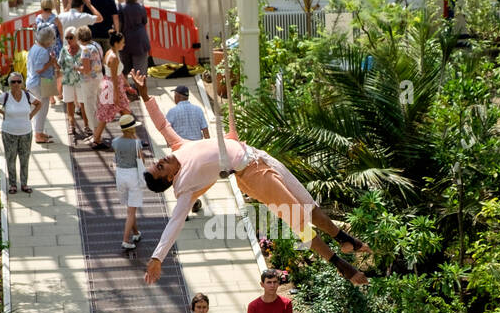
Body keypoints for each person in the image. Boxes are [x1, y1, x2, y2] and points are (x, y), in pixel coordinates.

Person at [132, 73, 372, 286]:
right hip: (252, 175)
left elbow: (162, 124)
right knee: (299, 220)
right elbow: (175, 222)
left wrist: (145, 96)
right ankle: (341, 265)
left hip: (259, 156)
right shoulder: (184, 186)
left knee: (309, 206)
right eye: (159, 168)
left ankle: (342, 239)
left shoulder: (179, 147)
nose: (159, 161)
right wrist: (157, 257)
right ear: (170, 177)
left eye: (156, 163)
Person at [0, 71, 41, 196]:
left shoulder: (27, 95)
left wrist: (31, 115)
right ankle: (13, 185)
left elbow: (39, 104)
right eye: (13, 82)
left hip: (26, 132)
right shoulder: (5, 96)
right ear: (9, 83)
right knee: (11, 159)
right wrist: (3, 113)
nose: (16, 84)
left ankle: (24, 184)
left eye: (18, 81)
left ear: (22, 83)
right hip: (9, 132)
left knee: (24, 159)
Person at [166, 83, 209, 211]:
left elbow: (166, 129)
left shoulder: (172, 112)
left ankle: (184, 206)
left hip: (180, 151)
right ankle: (193, 202)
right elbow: (205, 130)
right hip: (197, 150)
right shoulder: (198, 110)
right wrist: (208, 146)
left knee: (180, 178)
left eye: (175, 95)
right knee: (194, 178)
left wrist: (169, 143)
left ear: (178, 96)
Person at [93, 33, 131, 150]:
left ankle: (130, 137)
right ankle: (97, 139)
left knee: (123, 112)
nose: (124, 44)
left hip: (111, 86)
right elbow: (114, 76)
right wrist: (116, 95)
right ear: (116, 43)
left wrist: (126, 83)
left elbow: (116, 73)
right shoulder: (114, 57)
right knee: (109, 115)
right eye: (122, 42)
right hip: (113, 88)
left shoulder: (110, 53)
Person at [114, 111, 144, 250]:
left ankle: (136, 232)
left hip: (120, 175)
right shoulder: (136, 143)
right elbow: (142, 159)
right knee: (131, 211)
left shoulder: (115, 142)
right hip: (133, 176)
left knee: (130, 208)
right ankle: (125, 239)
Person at [25, 24, 59, 145]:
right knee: (42, 108)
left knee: (37, 107)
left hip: (32, 82)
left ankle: (39, 131)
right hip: (39, 83)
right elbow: (39, 69)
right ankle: (38, 133)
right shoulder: (43, 51)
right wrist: (51, 62)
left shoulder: (34, 47)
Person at [58, 26, 89, 143]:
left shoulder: (83, 49)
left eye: (71, 37)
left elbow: (88, 65)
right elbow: (59, 64)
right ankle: (72, 125)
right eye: (66, 38)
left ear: (76, 37)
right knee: (69, 102)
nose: (68, 40)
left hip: (81, 80)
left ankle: (86, 125)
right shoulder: (64, 50)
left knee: (83, 102)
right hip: (68, 80)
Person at [75, 24, 106, 133]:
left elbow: (86, 69)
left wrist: (76, 67)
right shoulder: (96, 45)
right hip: (99, 76)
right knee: (98, 103)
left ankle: (95, 132)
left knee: (89, 106)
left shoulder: (85, 50)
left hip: (88, 80)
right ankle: (99, 131)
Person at [118, 0, 151, 79]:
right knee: (140, 67)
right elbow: (144, 21)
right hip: (140, 39)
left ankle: (125, 88)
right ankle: (140, 87)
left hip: (126, 40)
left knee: (124, 67)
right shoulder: (141, 7)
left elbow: (119, 25)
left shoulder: (120, 7)